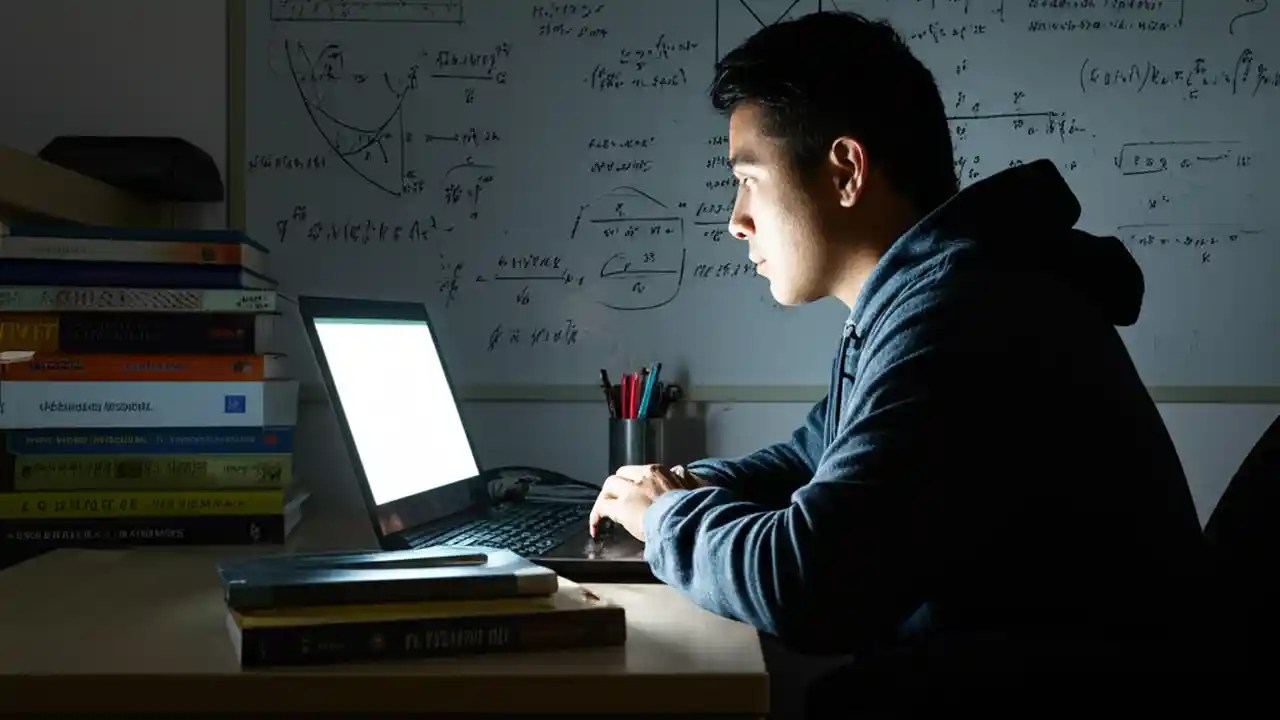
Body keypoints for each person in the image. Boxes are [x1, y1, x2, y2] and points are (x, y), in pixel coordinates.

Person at [588, 9, 1210, 710]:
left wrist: (669, 517)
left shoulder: (963, 313)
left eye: (750, 180)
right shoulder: (935, 292)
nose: (736, 219)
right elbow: (812, 459)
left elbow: (809, 584)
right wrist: (684, 481)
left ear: (846, 170)